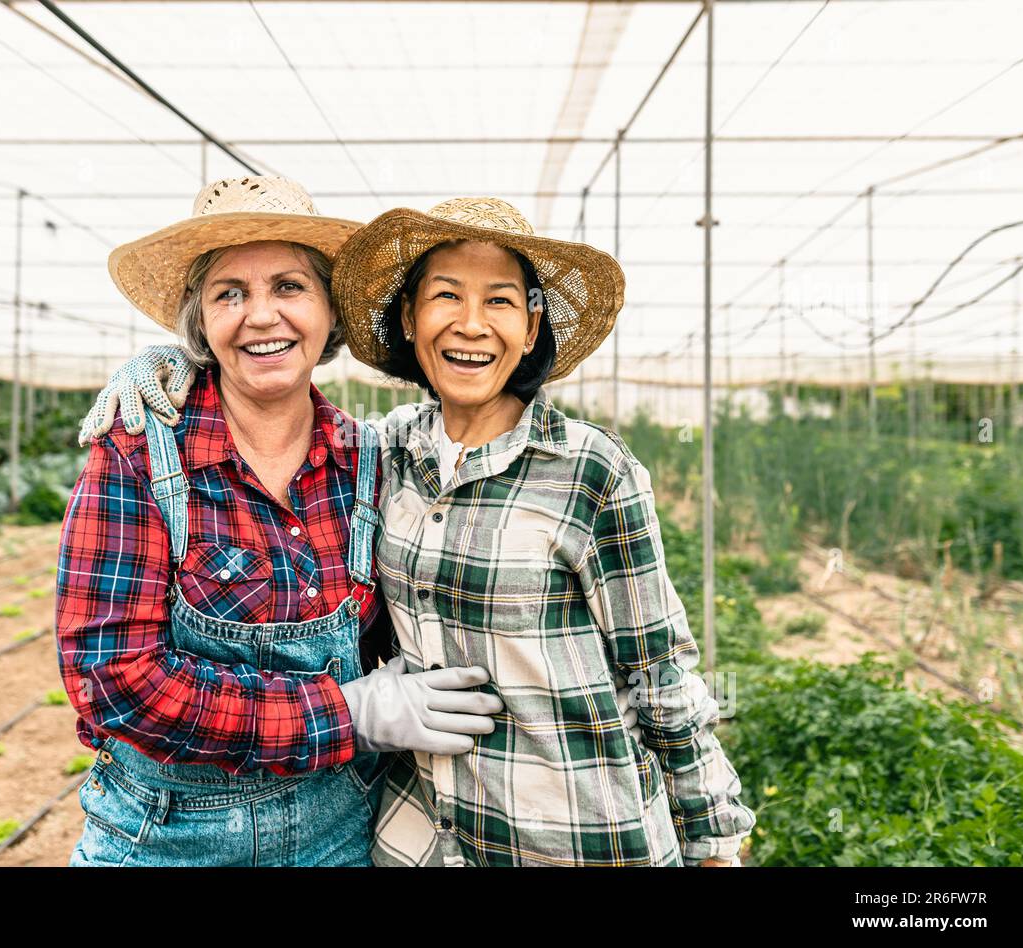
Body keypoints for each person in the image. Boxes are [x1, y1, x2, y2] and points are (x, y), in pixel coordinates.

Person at [82, 195, 756, 867]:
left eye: (498, 301)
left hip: (573, 836)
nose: (470, 324)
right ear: (410, 318)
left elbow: (659, 668)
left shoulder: (582, 470)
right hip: (409, 840)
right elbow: (111, 677)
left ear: (531, 325)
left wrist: (714, 831)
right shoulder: (384, 452)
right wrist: (162, 361)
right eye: (445, 297)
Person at [56, 175, 503, 867]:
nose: (261, 315)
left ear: (330, 313)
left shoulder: (370, 459)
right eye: (228, 294)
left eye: (290, 287)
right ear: (199, 323)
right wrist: (345, 714)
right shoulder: (137, 454)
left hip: (342, 831)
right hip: (166, 840)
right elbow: (112, 679)